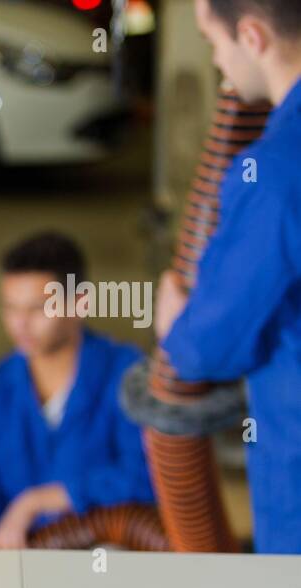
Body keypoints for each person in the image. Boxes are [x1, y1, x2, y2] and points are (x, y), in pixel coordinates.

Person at [155, 0, 301, 554]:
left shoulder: (274, 174)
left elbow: (206, 348)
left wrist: (176, 321)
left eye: (212, 41)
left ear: (254, 37)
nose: (216, 61)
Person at [0, 232, 155, 549]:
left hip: (115, 566)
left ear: (80, 303)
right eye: (10, 308)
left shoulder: (130, 376)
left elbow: (150, 479)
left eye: (37, 308)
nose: (20, 324)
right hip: (17, 568)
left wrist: (39, 500)